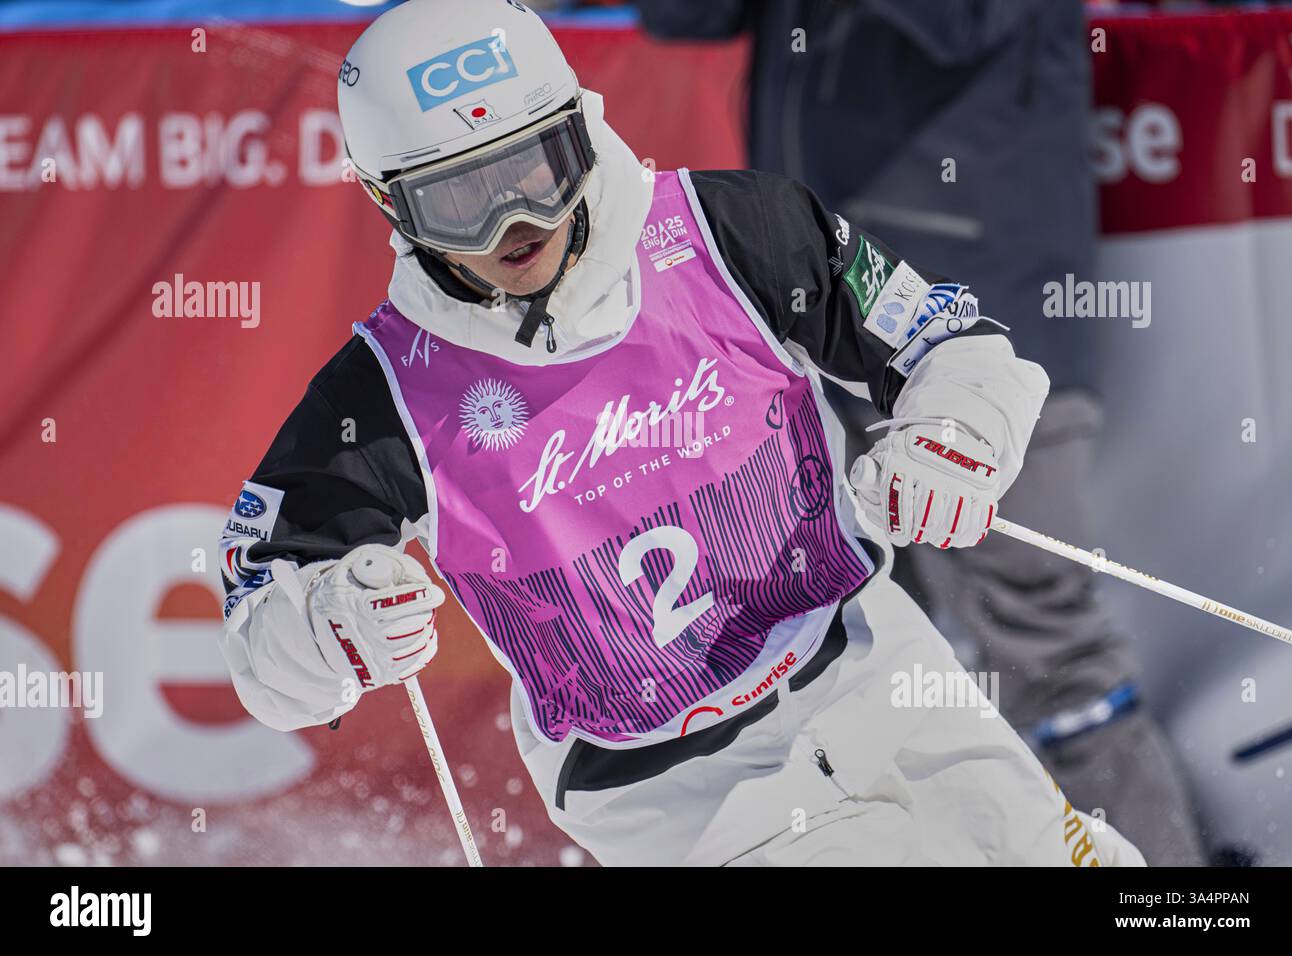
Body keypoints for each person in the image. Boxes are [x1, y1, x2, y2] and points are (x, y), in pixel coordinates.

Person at [217, 0, 1143, 866]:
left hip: (873, 672)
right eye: (459, 202)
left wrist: (956, 433)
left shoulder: (729, 231)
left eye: (535, 169)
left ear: (577, 131)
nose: (517, 223)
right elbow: (260, 619)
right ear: (393, 208)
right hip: (676, 794)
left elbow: (948, 338)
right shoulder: (387, 391)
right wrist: (324, 629)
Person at [635, 0, 1205, 865]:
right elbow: (685, 17)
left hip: (984, 326)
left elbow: (959, 23)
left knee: (1045, 637)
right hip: (827, 334)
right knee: (876, 676)